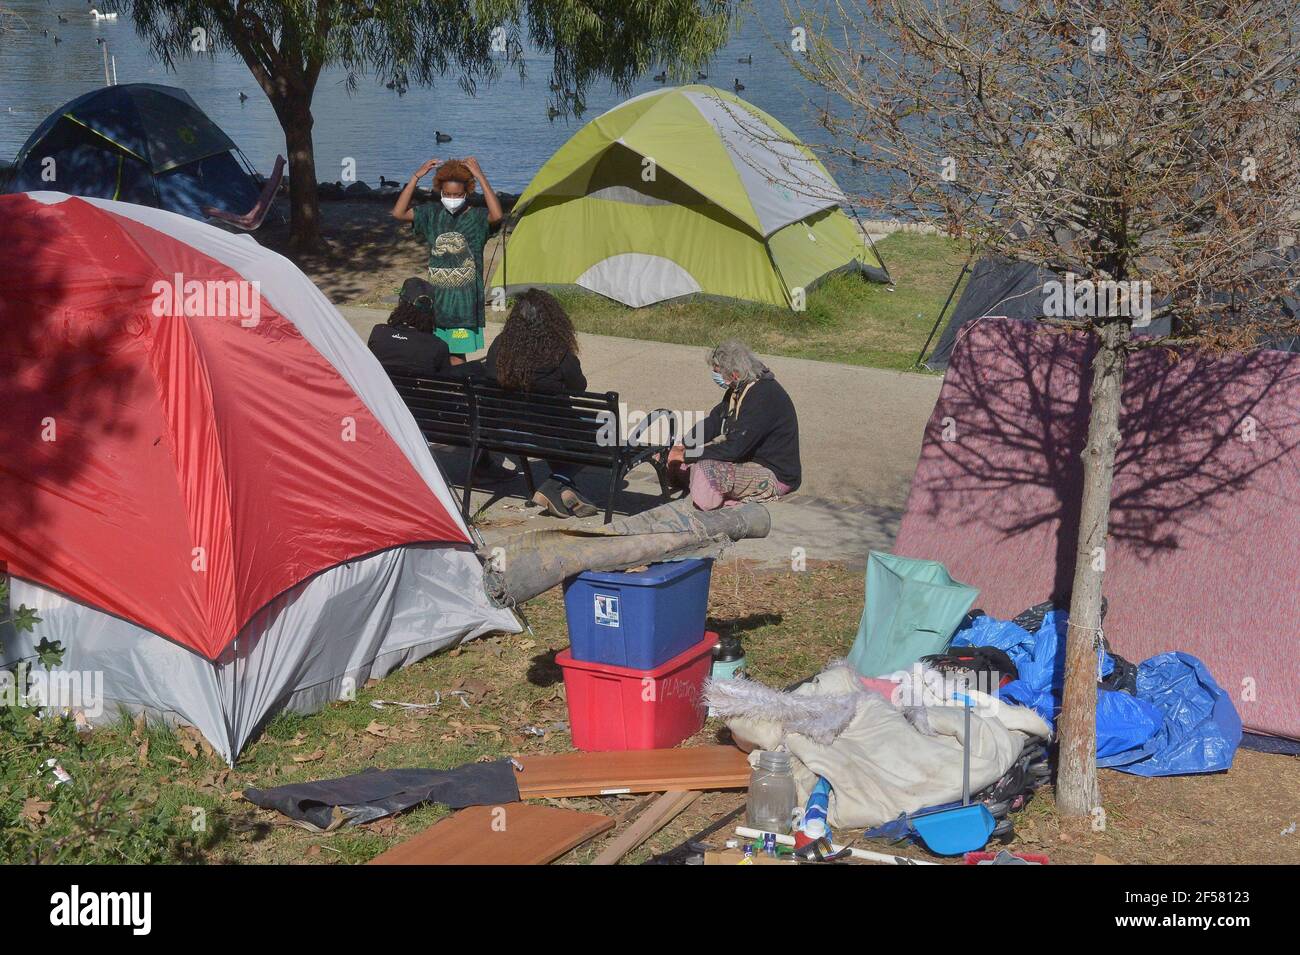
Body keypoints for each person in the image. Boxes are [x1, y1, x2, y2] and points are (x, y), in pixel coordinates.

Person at [484, 288, 598, 518]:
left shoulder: (500, 346)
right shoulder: (559, 353)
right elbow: (579, 387)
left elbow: (487, 374)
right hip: (551, 431)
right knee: (604, 434)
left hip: (502, 431)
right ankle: (554, 485)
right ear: (553, 320)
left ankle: (563, 490)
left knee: (553, 428)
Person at [391, 155, 503, 363]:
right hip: (436, 300)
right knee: (434, 351)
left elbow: (497, 216)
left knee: (456, 355)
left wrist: (480, 176)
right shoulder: (430, 213)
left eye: (458, 194)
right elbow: (398, 213)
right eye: (447, 193)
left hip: (464, 304)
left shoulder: (478, 218)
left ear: (467, 192)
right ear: (440, 191)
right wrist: (416, 176)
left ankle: (455, 391)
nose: (452, 198)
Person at [668, 340, 801, 510]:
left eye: (717, 371)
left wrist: (688, 454)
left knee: (705, 470)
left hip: (773, 472)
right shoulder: (739, 389)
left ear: (734, 374)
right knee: (671, 459)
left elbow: (735, 448)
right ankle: (702, 483)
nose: (715, 375)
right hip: (744, 459)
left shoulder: (762, 396)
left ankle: (710, 492)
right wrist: (683, 445)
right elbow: (715, 421)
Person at [366, 299, 450, 379]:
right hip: (419, 392)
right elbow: (445, 377)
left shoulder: (379, 332)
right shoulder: (438, 345)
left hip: (379, 390)